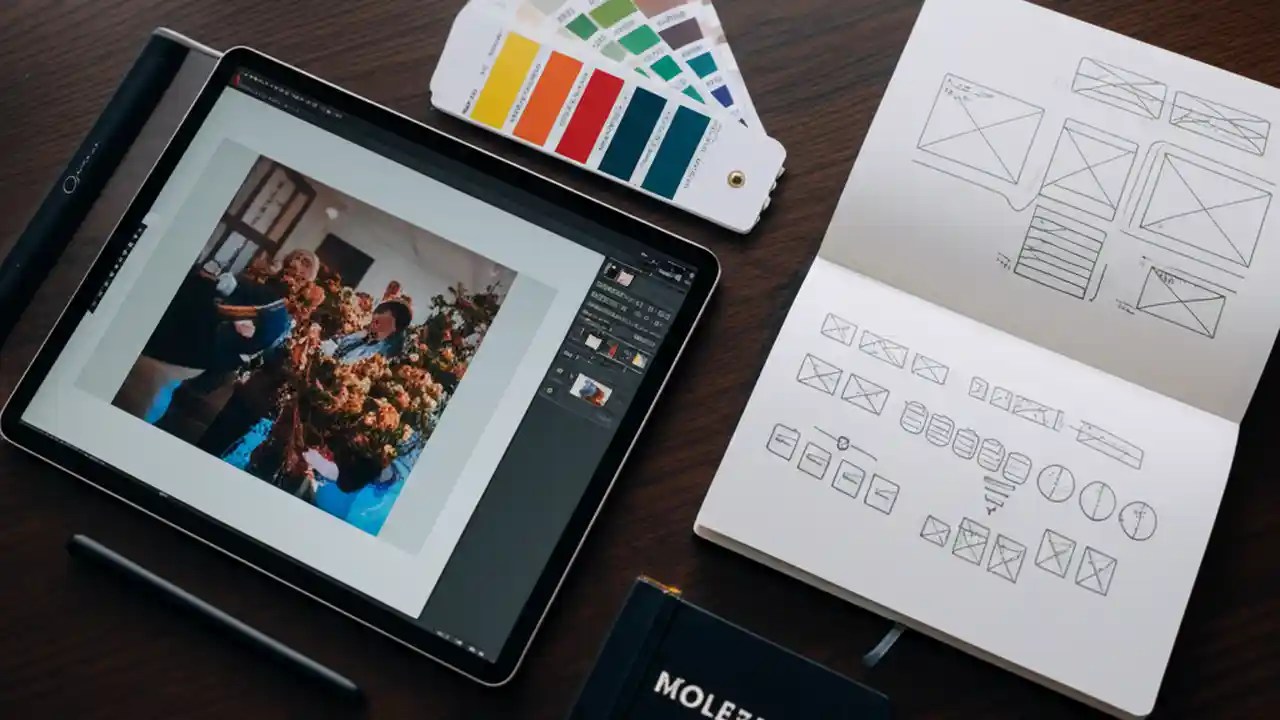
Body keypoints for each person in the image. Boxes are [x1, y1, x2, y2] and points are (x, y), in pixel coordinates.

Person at [323, 299, 413, 363]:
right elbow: (338, 341)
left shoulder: (377, 355)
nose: (374, 324)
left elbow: (345, 361)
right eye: (375, 319)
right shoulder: (363, 331)